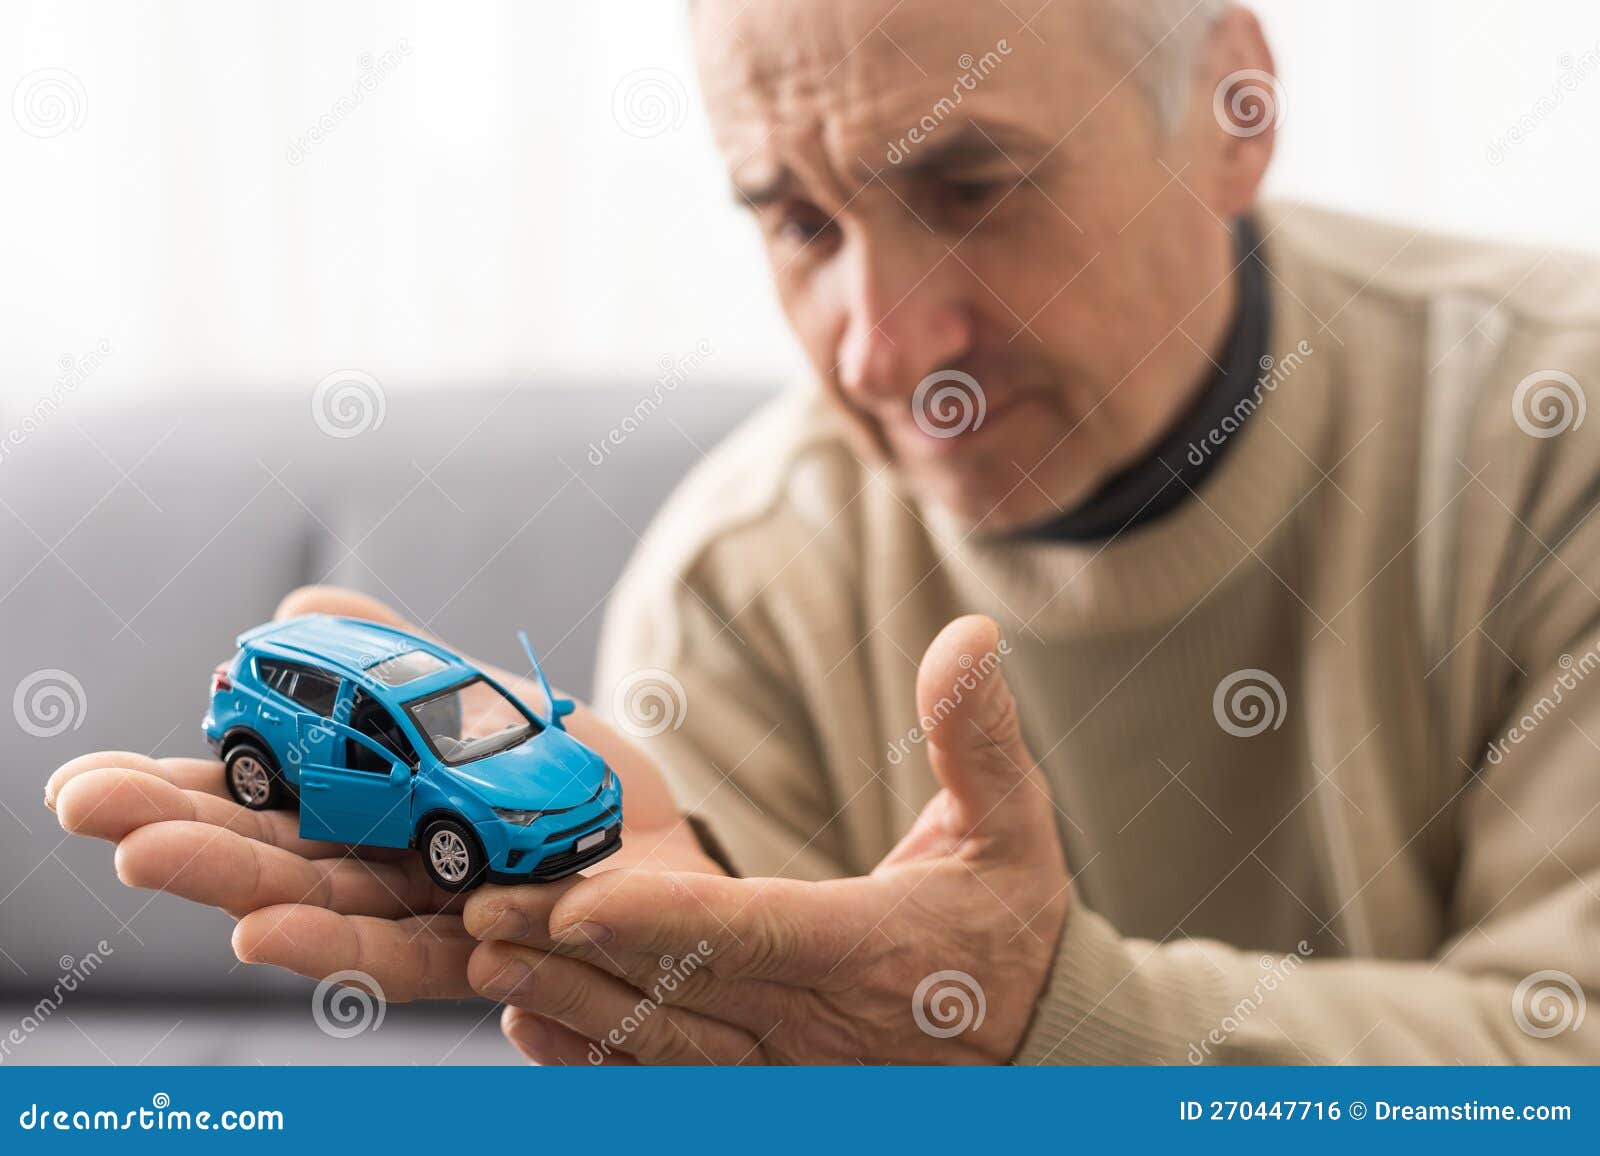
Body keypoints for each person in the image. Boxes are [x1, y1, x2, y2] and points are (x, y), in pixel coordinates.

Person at [49, 0, 1600, 1064]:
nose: (875, 350)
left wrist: (1050, 1025)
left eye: (973, 183)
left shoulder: (1557, 429)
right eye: (796, 220)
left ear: (1228, 112)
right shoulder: (741, 585)